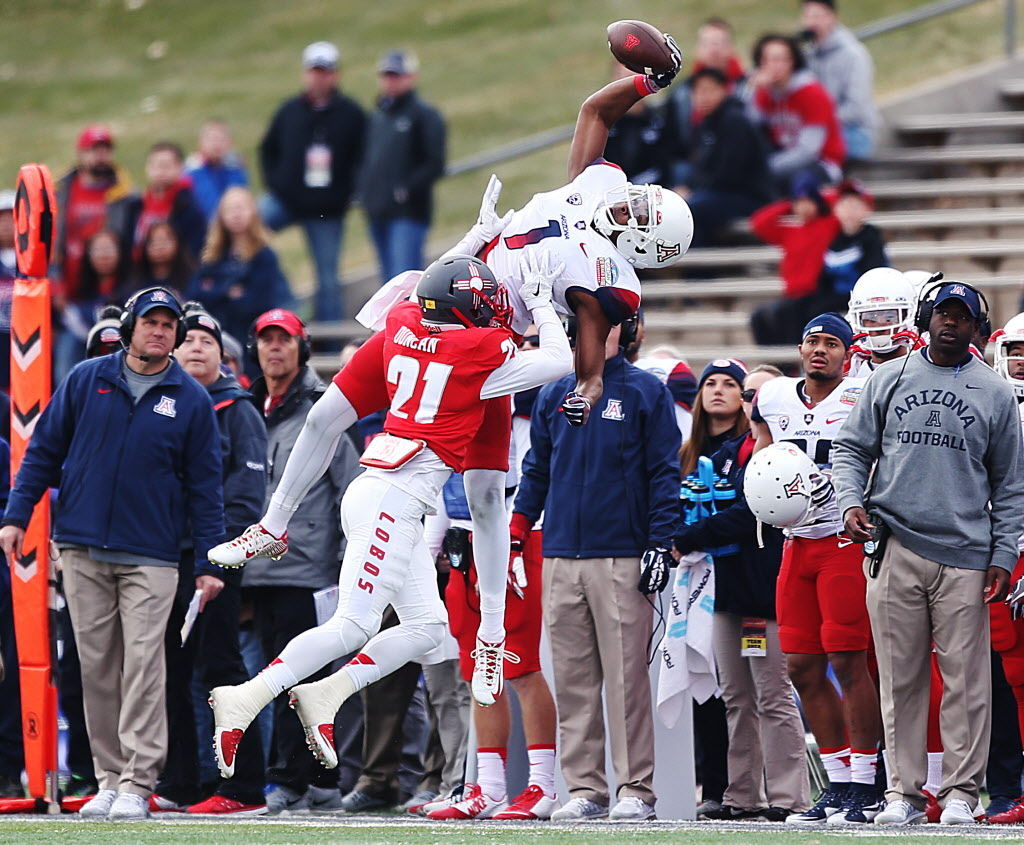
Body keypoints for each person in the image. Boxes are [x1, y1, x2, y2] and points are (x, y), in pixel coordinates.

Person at [215, 55, 693, 710]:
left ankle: (488, 629)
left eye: (645, 212)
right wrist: (645, 82)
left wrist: (581, 387)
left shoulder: (609, 279)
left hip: (483, 353)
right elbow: (594, 112)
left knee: (486, 497)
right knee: (332, 416)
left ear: (642, 244)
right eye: (647, 198)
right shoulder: (600, 186)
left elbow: (583, 357)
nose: (636, 200)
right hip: (449, 304)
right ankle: (275, 522)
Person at [208, 253, 572, 792]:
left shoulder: (404, 321)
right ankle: (246, 695)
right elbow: (559, 361)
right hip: (393, 501)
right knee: (353, 626)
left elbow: (418, 296)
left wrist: (470, 246)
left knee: (429, 629)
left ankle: (326, 693)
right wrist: (541, 302)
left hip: (384, 492)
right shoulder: (480, 352)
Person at [0, 287, 223, 821]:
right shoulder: (85, 379)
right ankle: (107, 777)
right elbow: (43, 451)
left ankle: (137, 783)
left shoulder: (191, 399)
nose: (161, 331)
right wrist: (15, 515)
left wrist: (210, 563)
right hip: (80, 547)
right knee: (97, 668)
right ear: (130, 327)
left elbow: (206, 489)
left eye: (169, 325)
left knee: (144, 667)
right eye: (152, 322)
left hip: (152, 554)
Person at [834, 284, 1024, 826]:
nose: (951, 323)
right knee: (900, 679)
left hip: (966, 552)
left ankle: (963, 793)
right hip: (895, 544)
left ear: (977, 330)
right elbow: (850, 448)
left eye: (962, 317)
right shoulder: (888, 379)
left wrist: (1003, 554)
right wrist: (850, 501)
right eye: (943, 313)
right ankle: (904, 793)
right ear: (925, 319)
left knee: (967, 681)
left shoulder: (993, 392)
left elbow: (1011, 485)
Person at [511, 319, 680, 821]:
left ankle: (636, 790)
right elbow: (537, 467)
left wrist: (659, 541)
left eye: (599, 326)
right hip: (562, 550)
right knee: (573, 680)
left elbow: (664, 471)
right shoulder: (554, 393)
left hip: (620, 553)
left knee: (627, 679)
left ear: (622, 333)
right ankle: (584, 787)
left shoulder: (647, 391)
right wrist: (518, 528)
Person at [751, 314, 882, 825]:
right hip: (795, 543)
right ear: (800, 349)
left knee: (849, 661)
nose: (820, 351)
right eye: (812, 342)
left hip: (843, 541)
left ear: (849, 354)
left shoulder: (863, 393)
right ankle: (838, 778)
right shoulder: (775, 397)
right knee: (801, 665)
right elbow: (762, 457)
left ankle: (866, 784)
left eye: (832, 343)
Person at [229, 308, 360, 814]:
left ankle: (290, 782)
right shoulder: (248, 409)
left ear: (302, 348)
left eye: (284, 340)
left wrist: (348, 563)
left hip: (307, 571)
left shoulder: (325, 408)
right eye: (266, 340)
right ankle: (322, 780)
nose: (274, 349)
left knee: (292, 680)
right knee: (286, 679)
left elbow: (350, 489)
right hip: (260, 570)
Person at [675, 364, 811, 821]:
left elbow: (745, 513)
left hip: (766, 591)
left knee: (772, 694)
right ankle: (741, 794)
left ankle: (790, 796)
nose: (752, 402)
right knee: (736, 696)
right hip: (727, 591)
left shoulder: (787, 457)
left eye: (759, 394)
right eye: (749, 394)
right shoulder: (731, 453)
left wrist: (689, 538)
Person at [150, 304, 269, 816]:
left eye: (207, 340)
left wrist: (219, 562)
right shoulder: (166, 406)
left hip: (214, 560)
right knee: (172, 672)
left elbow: (246, 495)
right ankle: (180, 782)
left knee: (222, 670)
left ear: (224, 356)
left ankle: (243, 789)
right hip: (163, 559)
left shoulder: (237, 409)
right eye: (188, 339)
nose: (196, 346)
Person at [678, 359, 750, 819]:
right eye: (711, 383)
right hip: (690, 578)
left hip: (738, 576)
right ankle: (712, 786)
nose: (718, 391)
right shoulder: (684, 452)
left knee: (739, 688)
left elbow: (747, 512)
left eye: (729, 384)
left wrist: (690, 539)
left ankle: (743, 784)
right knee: (700, 682)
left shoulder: (749, 447)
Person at [259, 41, 366, 323]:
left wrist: (345, 194)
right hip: (286, 200)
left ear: (336, 74)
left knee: (328, 280)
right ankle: (283, 301)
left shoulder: (352, 114)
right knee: (247, 232)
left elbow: (364, 159)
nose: (319, 77)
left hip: (326, 211)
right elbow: (268, 149)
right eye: (314, 71)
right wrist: (276, 184)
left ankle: (331, 347)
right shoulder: (289, 110)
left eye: (325, 71)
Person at [52, 125, 135, 380]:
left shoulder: (123, 194)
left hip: (109, 295)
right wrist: (56, 287)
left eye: (105, 149)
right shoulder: (62, 190)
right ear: (81, 153)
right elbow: (52, 242)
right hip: (68, 294)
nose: (99, 156)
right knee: (65, 371)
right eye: (93, 150)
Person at [361, 50, 447, 284]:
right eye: (387, 75)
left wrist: (406, 190)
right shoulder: (377, 117)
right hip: (377, 209)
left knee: (404, 279)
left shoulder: (424, 115)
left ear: (411, 77)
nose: (391, 81)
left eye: (397, 75)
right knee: (388, 282)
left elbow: (435, 163)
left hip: (408, 213)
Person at [985, 313, 1024, 825]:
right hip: (995, 554)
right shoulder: (989, 402)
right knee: (999, 677)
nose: (1022, 361)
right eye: (1016, 350)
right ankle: (1005, 789)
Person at [676, 67, 773, 248]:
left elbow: (729, 173)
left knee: (694, 209)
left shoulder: (734, 120)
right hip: (719, 193)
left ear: (724, 90)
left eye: (709, 90)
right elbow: (700, 166)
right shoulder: (705, 124)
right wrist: (687, 187)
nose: (703, 96)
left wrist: (693, 190)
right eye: (698, 91)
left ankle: (700, 270)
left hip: (748, 196)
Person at [186, 186, 292, 347]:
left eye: (241, 208)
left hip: (250, 338)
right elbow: (195, 294)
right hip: (217, 335)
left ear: (252, 212)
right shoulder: (212, 256)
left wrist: (216, 291)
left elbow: (257, 302)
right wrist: (227, 292)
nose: (236, 214)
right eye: (230, 209)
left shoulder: (264, 255)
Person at [747, 33, 845, 195]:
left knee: (792, 181)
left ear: (793, 61)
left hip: (820, 163)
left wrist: (764, 168)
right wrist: (752, 91)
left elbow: (808, 151)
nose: (774, 66)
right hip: (781, 157)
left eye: (780, 60)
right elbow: (749, 127)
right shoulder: (764, 93)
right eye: (767, 60)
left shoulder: (812, 93)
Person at [749, 176, 839, 346]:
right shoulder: (790, 231)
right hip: (791, 296)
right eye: (799, 202)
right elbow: (759, 223)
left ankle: (791, 364)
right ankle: (776, 364)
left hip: (814, 295)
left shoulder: (828, 225)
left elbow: (837, 201)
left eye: (808, 201)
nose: (803, 207)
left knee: (789, 315)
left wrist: (820, 198)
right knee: (759, 317)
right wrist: (788, 204)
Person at [800, 0, 879, 160]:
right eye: (808, 16)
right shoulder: (806, 55)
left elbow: (856, 108)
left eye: (818, 16)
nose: (812, 23)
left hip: (854, 131)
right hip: (819, 129)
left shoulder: (854, 54)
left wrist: (820, 119)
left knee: (809, 152)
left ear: (833, 17)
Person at [669, 17, 748, 174]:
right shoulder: (682, 93)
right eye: (707, 43)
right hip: (692, 163)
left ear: (731, 48)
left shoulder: (748, 88)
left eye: (719, 43)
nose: (714, 50)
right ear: (698, 49)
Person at [816, 180, 888, 315]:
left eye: (854, 205)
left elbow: (871, 276)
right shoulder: (833, 239)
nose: (849, 210)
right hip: (834, 300)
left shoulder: (872, 238)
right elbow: (824, 281)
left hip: (863, 301)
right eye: (844, 204)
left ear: (866, 210)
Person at [128, 142, 207, 263]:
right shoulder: (136, 205)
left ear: (180, 168)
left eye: (166, 166)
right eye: (155, 165)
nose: (160, 171)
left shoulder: (189, 208)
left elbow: (195, 251)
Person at [604, 62, 679, 188]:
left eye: (636, 78)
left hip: (658, 189)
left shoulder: (658, 120)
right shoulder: (604, 123)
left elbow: (671, 160)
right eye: (626, 78)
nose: (631, 86)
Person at [846, 268, 923, 378]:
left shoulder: (926, 366)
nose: (879, 325)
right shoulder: (850, 369)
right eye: (871, 317)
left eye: (889, 317)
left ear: (909, 315)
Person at [185, 119, 249, 222]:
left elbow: (239, 194)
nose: (217, 144)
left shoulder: (234, 167)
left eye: (221, 140)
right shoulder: (193, 171)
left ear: (229, 143)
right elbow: (208, 204)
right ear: (200, 142)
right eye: (212, 139)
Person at [130, 220, 196, 296]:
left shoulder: (191, 280)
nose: (160, 246)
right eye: (154, 241)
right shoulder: (136, 284)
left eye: (165, 240)